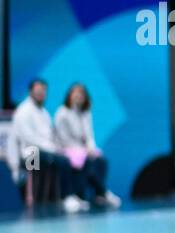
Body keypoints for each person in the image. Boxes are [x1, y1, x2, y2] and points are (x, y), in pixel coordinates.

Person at [10, 78, 87, 213]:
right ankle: (65, 197)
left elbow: (50, 137)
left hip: (45, 151)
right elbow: (29, 139)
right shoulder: (23, 111)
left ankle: (74, 195)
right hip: (29, 153)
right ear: (30, 92)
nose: (41, 94)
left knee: (70, 158)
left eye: (43, 91)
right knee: (62, 160)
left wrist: (57, 148)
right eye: (38, 91)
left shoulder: (44, 113)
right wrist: (53, 150)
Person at [53, 82, 120, 207]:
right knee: (86, 160)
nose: (78, 96)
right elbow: (63, 138)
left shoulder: (86, 113)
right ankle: (92, 193)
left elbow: (89, 135)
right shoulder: (62, 113)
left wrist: (90, 148)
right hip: (65, 149)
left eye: (81, 94)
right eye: (75, 93)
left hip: (82, 149)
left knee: (100, 160)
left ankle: (98, 195)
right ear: (69, 95)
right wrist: (82, 150)